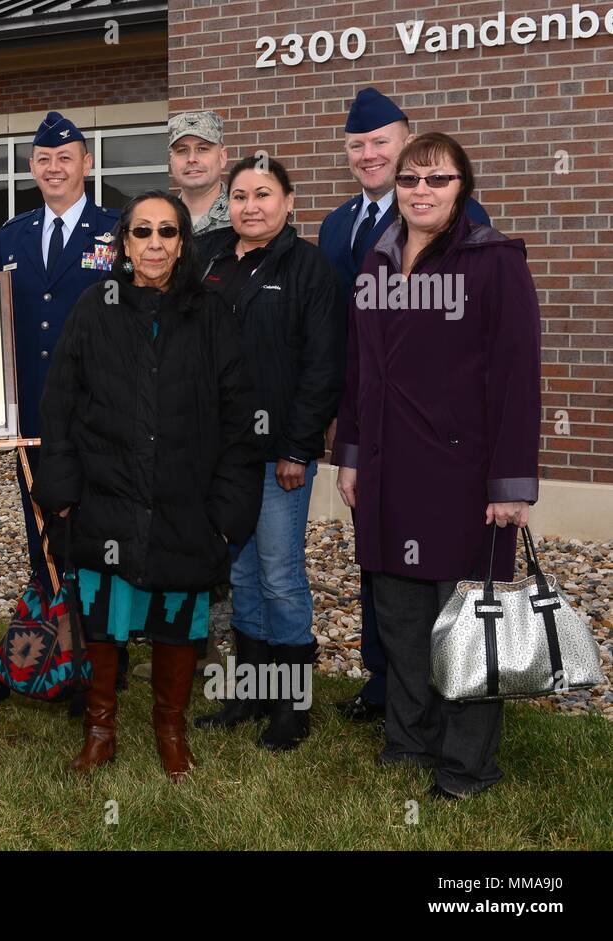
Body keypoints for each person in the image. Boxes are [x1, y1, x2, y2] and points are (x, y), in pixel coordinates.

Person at [334, 132, 540, 799]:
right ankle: (409, 742)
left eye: (438, 179)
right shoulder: (376, 261)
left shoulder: (494, 260)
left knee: (466, 628)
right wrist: (352, 456)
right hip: (389, 474)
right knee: (399, 619)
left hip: (463, 477)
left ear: (463, 189)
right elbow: (360, 368)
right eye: (410, 179)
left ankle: (466, 768)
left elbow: (517, 375)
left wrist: (510, 482)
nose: (421, 190)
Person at [33, 190, 262, 782]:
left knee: (178, 619)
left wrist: (227, 511)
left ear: (182, 242)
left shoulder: (211, 313)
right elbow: (58, 405)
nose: (154, 243)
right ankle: (100, 731)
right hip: (105, 499)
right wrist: (60, 492)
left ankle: (170, 730)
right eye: (142, 232)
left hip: (185, 504)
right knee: (104, 616)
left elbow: (240, 416)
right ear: (124, 243)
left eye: (167, 231)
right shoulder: (93, 306)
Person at [319, 88, 492, 726]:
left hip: (434, 430)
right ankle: (383, 681)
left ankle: (445, 690)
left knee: (434, 563)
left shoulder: (456, 216)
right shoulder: (339, 226)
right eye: (358, 145)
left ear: (407, 141)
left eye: (381, 143)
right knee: (378, 551)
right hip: (366, 412)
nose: (369, 155)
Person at [196, 156, 346, 751]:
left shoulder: (309, 268)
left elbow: (323, 368)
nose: (250, 207)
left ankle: (291, 706)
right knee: (241, 573)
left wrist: (297, 447)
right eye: (239, 196)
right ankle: (249, 693)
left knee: (280, 575)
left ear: (288, 202)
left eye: (263, 195)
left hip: (278, 454)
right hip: (219, 454)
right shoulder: (207, 259)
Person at [0, 111, 119, 601]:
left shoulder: (115, 229)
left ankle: (101, 640)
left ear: (86, 163)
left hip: (96, 407)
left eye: (64, 158)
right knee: (39, 518)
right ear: (31, 167)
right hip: (33, 408)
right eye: (44, 159)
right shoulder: (11, 235)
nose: (54, 168)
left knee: (95, 518)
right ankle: (50, 632)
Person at [168, 111, 230, 240]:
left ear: (222, 157)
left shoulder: (246, 216)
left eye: (202, 149)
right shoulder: (159, 219)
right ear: (171, 161)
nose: (191, 159)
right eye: (182, 150)